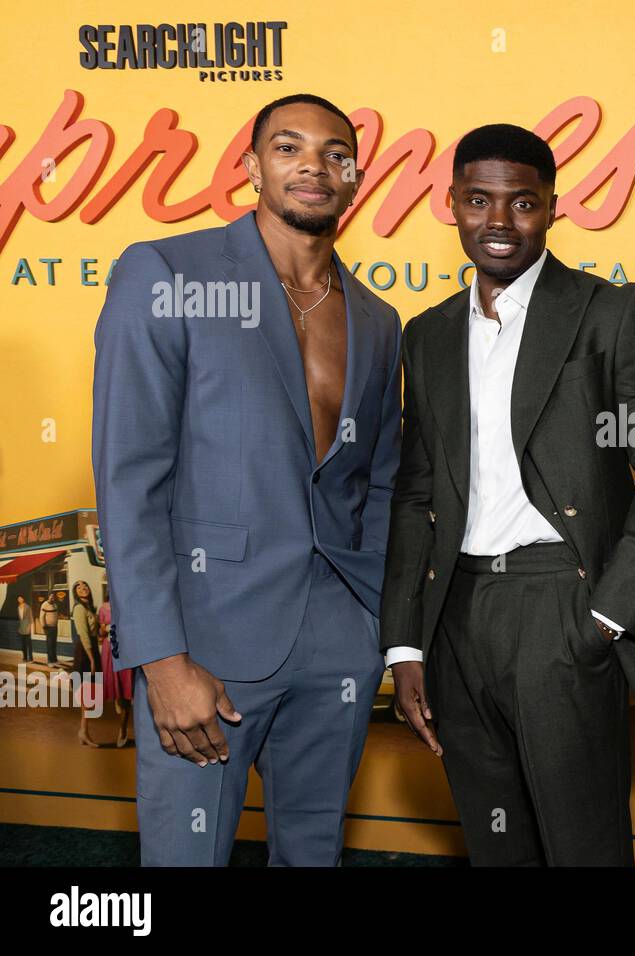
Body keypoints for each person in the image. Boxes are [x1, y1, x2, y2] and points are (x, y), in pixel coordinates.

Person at [92, 92, 401, 866]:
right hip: (207, 644)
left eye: (335, 153)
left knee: (313, 854)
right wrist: (161, 661)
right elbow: (130, 479)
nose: (313, 166)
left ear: (356, 177)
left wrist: (375, 630)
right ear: (252, 166)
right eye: (289, 147)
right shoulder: (168, 271)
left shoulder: (375, 318)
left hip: (339, 644)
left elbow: (384, 483)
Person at [380, 123, 635, 866]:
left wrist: (607, 618)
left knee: (583, 848)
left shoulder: (609, 313)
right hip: (454, 617)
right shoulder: (427, 336)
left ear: (553, 208)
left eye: (522, 202)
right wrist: (405, 645)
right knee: (497, 850)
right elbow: (413, 493)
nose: (499, 222)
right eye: (480, 201)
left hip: (563, 607)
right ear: (451, 204)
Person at [70, 580, 102, 747]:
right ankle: (83, 731)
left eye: (85, 586)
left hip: (93, 649)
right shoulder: (79, 608)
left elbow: (96, 632)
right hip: (85, 651)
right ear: (75, 592)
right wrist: (91, 659)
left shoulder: (89, 608)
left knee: (90, 694)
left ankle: (83, 731)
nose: (83, 588)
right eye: (79, 587)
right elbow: (83, 635)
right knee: (87, 693)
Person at [98, 591, 132, 748]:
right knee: (115, 686)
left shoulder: (128, 605)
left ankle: (123, 730)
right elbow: (100, 633)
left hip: (126, 648)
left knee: (127, 690)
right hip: (110, 649)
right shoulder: (103, 608)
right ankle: (119, 701)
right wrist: (105, 629)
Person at [38, 593, 60, 668]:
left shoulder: (55, 605)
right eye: (51, 597)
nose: (52, 598)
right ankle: (50, 661)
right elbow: (41, 616)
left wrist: (56, 624)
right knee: (49, 644)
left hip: (55, 627)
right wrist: (44, 626)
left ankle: (54, 659)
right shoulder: (44, 605)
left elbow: (56, 615)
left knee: (54, 643)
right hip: (48, 627)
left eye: (53, 597)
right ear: (48, 597)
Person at [15, 595, 33, 662]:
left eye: (20, 598)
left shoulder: (27, 607)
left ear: (23, 599)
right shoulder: (18, 607)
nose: (19, 599)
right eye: (18, 599)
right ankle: (25, 658)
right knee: (23, 644)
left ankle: (30, 658)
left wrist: (29, 627)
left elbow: (31, 618)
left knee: (28, 644)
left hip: (27, 625)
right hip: (22, 626)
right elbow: (20, 619)